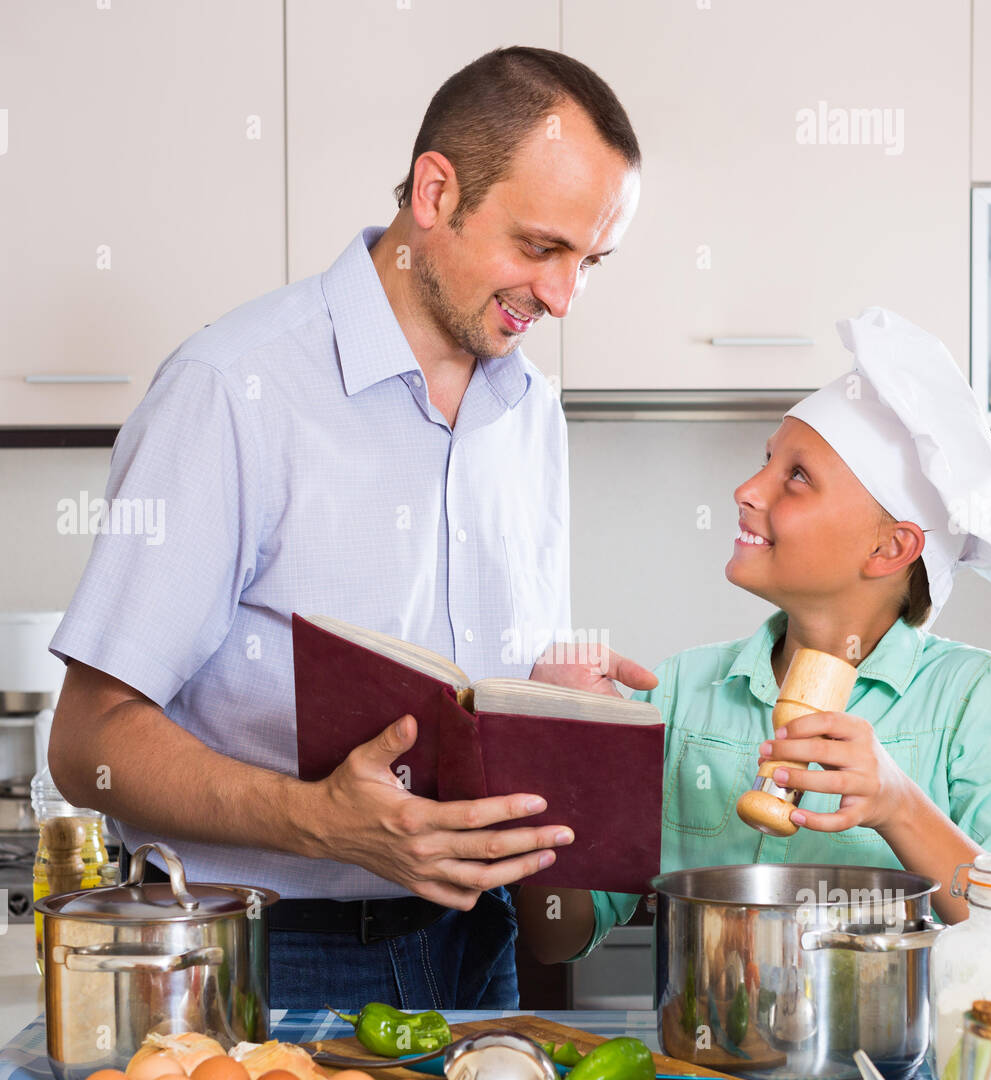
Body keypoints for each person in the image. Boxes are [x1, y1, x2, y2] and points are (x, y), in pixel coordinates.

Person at [47, 47, 654, 1009]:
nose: (563, 296)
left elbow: (463, 675)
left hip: (476, 941)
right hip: (267, 950)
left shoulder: (530, 408)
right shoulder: (234, 389)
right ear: (434, 190)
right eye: (540, 248)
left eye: (591, 260)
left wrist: (542, 700)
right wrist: (319, 820)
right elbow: (88, 743)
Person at [516, 306, 991, 964]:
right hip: (702, 1061)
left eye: (795, 477)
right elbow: (556, 936)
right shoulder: (680, 691)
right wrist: (547, 748)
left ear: (889, 547)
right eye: (765, 462)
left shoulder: (976, 699)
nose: (746, 489)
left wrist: (896, 805)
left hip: (899, 1068)